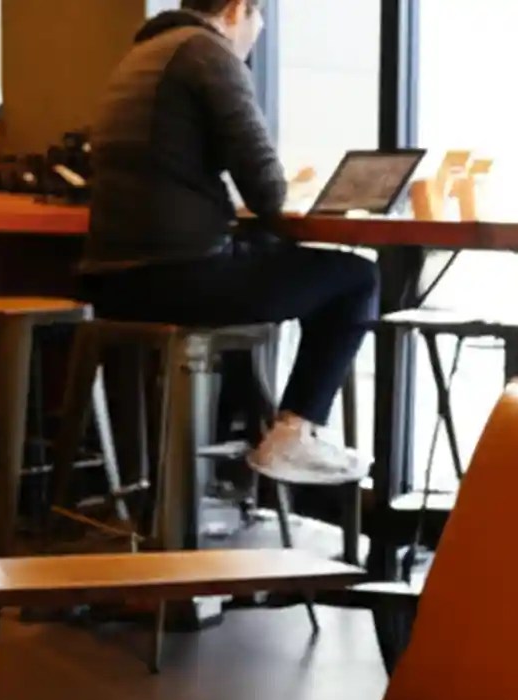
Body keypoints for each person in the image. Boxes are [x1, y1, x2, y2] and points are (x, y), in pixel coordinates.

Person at [83, 0, 378, 483]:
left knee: (260, 255)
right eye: (259, 18)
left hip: (111, 283)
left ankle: (236, 454)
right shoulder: (208, 54)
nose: (258, 32)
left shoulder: (142, 54)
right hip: (178, 279)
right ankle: (292, 435)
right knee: (357, 278)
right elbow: (267, 191)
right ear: (239, 8)